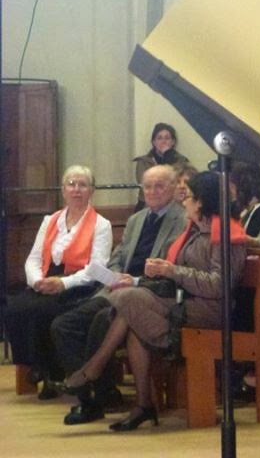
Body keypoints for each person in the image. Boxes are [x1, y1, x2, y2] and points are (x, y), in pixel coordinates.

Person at [63, 170, 246, 432]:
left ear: (203, 201)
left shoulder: (226, 233)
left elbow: (219, 285)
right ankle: (141, 404)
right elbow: (180, 276)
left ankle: (96, 370)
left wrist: (172, 271)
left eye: (190, 196)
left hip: (210, 311)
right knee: (132, 314)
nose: (185, 201)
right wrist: (157, 272)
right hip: (186, 302)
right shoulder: (196, 229)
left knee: (127, 299)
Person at [51, 164, 186, 424]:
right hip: (115, 289)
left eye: (159, 186)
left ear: (172, 189)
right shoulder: (137, 219)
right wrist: (113, 277)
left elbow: (172, 267)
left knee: (101, 322)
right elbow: (117, 257)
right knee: (63, 325)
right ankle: (91, 395)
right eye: (148, 186)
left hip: (149, 292)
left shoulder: (181, 220)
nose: (153, 191)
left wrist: (134, 280)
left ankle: (96, 396)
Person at [4, 165, 112, 399]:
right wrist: (37, 281)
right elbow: (32, 258)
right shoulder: (50, 220)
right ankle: (35, 366)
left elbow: (96, 269)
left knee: (44, 310)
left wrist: (63, 284)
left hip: (78, 284)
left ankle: (51, 373)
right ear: (63, 190)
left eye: (82, 184)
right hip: (46, 279)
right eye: (71, 184)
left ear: (91, 190)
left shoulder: (101, 225)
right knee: (14, 308)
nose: (76, 189)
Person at [132, 122, 190, 211]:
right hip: (147, 205)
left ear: (173, 142)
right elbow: (145, 183)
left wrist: (167, 156)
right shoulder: (143, 161)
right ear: (154, 142)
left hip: (175, 205)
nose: (163, 141)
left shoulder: (182, 161)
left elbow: (178, 183)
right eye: (159, 138)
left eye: (167, 138)